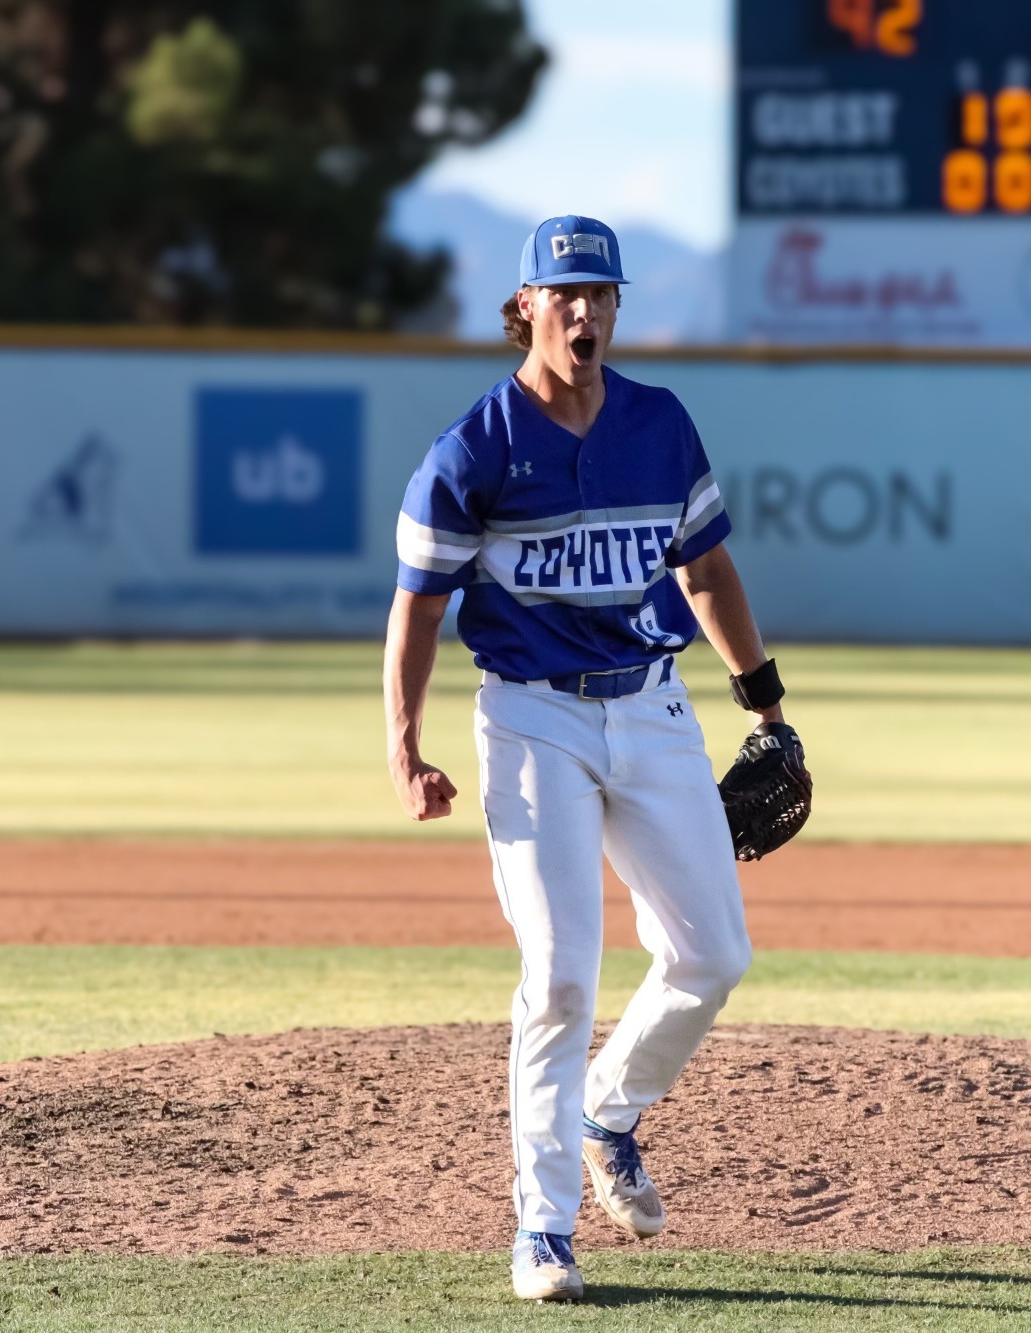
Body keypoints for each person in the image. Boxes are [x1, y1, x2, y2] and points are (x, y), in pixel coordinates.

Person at [382, 215, 793, 1302]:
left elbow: (705, 572)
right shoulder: (472, 449)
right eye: (562, 295)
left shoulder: (658, 424)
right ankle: (543, 1230)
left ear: (615, 307)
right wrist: (403, 744)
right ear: (523, 307)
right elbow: (417, 605)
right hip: (530, 722)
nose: (583, 312)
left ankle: (610, 1110)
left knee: (713, 955)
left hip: (652, 710)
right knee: (561, 974)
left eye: (599, 294)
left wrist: (764, 704)